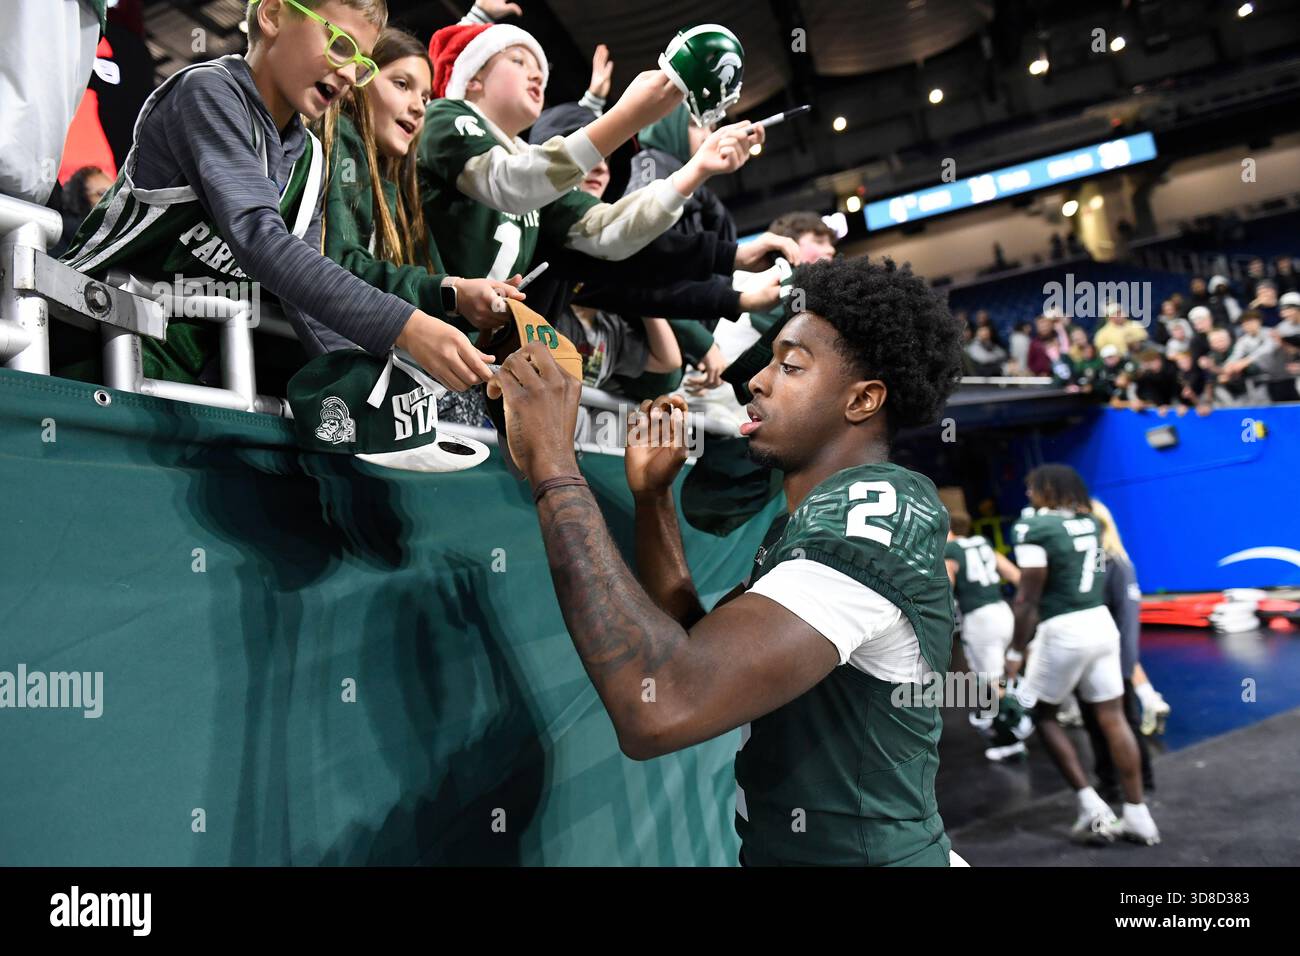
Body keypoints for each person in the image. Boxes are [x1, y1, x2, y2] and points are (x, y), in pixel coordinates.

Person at [490, 255, 968, 866]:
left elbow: (660, 704)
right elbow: (692, 651)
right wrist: (652, 499)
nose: (758, 382)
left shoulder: (876, 507)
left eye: (791, 366)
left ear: (863, 399)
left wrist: (555, 463)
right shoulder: (805, 520)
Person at [60, 0, 497, 394]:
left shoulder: (310, 157)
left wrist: (371, 392)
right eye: (340, 44)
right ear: (271, 15)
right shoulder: (207, 91)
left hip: (181, 378)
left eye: (361, 63)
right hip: (85, 348)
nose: (349, 73)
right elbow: (260, 241)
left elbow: (305, 299)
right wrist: (405, 325)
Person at [418, 15, 759, 418]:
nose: (536, 74)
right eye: (518, 61)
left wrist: (695, 170)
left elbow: (609, 232)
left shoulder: (529, 167)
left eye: (540, 69)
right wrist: (626, 116)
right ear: (472, 79)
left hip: (474, 366)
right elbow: (508, 182)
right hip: (421, 345)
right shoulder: (445, 115)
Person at [320, 27, 525, 348]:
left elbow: (427, 274)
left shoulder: (400, 186)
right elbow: (340, 270)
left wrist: (474, 310)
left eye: (426, 97)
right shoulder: (341, 141)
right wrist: (452, 294)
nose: (419, 107)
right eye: (402, 85)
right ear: (357, 77)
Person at [1007, 465, 1159, 846]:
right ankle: (1138, 814)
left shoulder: (1034, 529)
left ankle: (1092, 807)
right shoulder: (1089, 523)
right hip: (1100, 624)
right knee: (1113, 716)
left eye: (1032, 488)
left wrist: (1014, 649)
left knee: (1039, 712)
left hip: (1064, 629)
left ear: (1046, 488)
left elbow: (1027, 598)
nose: (1028, 494)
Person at [1080, 498, 1156, 801]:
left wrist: (1125, 669)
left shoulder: (1115, 564)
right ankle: (1108, 782)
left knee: (1125, 723)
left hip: (1112, 661)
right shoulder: (1088, 564)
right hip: (1090, 657)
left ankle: (1143, 784)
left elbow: (1127, 621)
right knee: (1094, 723)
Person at [944, 513, 1023, 757]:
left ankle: (1010, 741)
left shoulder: (949, 551)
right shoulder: (982, 543)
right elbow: (1015, 575)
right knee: (1005, 676)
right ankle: (1016, 715)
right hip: (1003, 612)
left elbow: (946, 591)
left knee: (992, 683)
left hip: (980, 620)